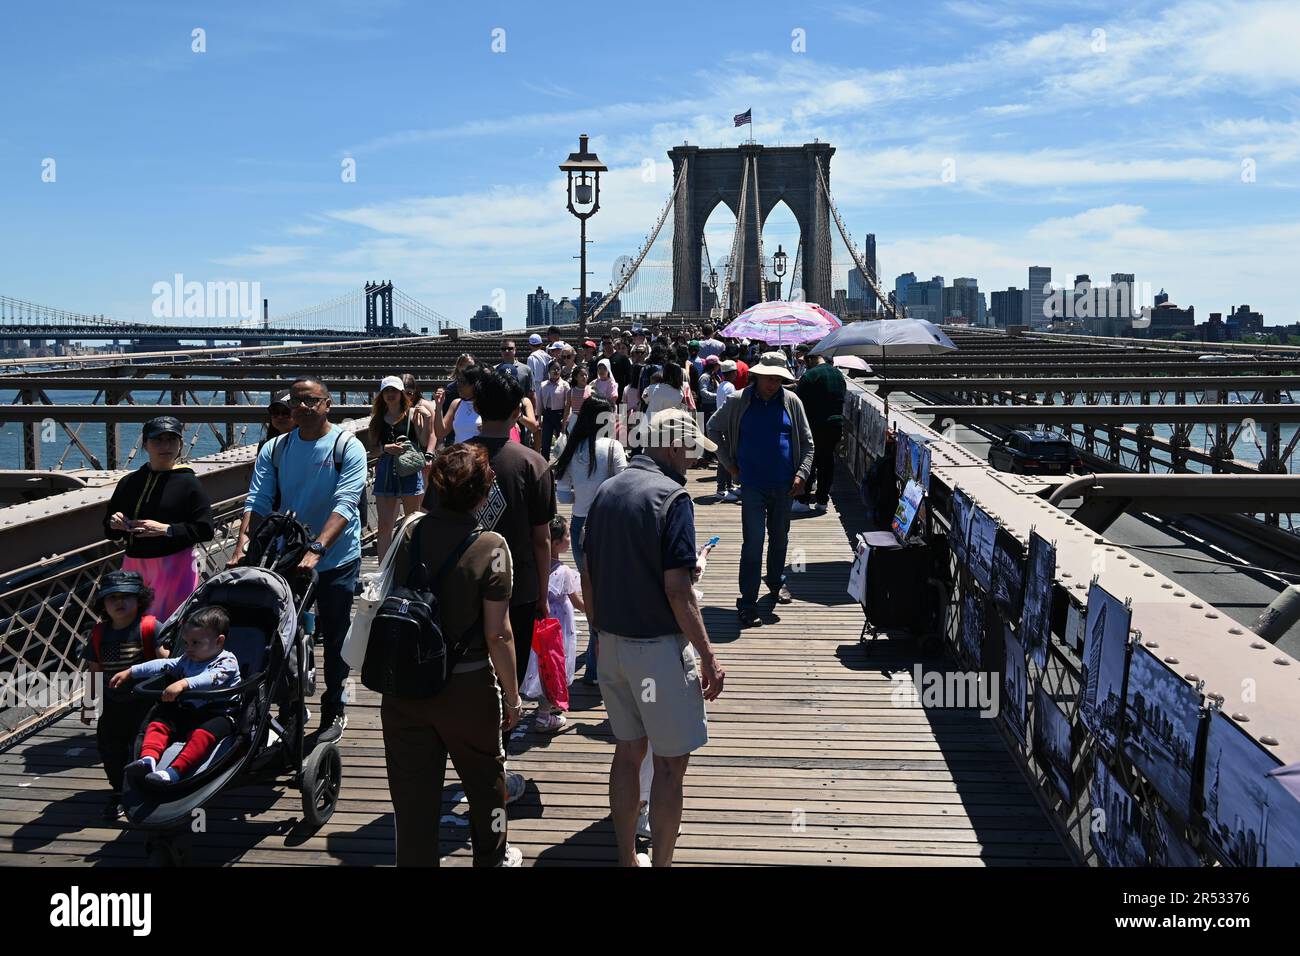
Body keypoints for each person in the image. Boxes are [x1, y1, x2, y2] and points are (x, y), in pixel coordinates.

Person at [582, 408, 725, 866]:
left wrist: (600, 631)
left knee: (627, 755)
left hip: (612, 647)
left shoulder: (606, 491)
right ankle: (660, 862)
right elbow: (678, 589)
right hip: (658, 653)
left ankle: (627, 858)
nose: (692, 461)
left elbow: (588, 572)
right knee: (668, 766)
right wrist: (708, 656)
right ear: (670, 446)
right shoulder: (672, 497)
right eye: (689, 450)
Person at [384, 443, 524, 867]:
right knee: (486, 785)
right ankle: (491, 857)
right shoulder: (492, 546)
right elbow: (498, 634)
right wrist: (513, 696)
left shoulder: (411, 530)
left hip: (407, 685)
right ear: (483, 495)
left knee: (413, 796)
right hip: (467, 683)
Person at [424, 369, 554, 802]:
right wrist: (542, 590)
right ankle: (492, 767)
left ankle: (461, 762)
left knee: (457, 673)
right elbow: (541, 537)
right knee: (504, 677)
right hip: (515, 589)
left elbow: (428, 525)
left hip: (454, 588)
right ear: (519, 411)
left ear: (475, 409)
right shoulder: (532, 463)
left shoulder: (452, 461)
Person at [231, 377, 367, 735]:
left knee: (336, 633)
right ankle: (289, 708)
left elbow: (347, 502)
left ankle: (334, 707)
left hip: (335, 556)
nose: (303, 407)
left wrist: (319, 546)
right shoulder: (274, 449)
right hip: (288, 555)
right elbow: (258, 500)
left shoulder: (346, 446)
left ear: (328, 404)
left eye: (311, 401)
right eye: (296, 402)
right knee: (281, 634)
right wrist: (242, 544)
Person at [707, 353, 815, 629]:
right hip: (752, 485)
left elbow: (807, 443)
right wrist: (730, 466)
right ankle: (747, 602)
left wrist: (802, 474)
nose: (773, 383)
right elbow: (712, 429)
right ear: (756, 375)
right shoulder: (738, 400)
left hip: (784, 486)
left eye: (778, 379)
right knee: (753, 543)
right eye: (769, 378)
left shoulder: (792, 402)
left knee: (780, 539)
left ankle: (776, 582)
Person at [104, 415, 214, 625]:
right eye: (157, 440)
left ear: (180, 444)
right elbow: (108, 530)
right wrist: (115, 524)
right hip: (133, 566)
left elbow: (205, 529)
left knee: (166, 630)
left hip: (175, 567)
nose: (165, 446)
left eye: (172, 440)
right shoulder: (129, 482)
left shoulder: (189, 484)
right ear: (145, 444)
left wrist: (167, 530)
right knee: (131, 628)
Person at [118, 605, 240, 784]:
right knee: (161, 719)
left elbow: (211, 678)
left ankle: (175, 771)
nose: (188, 648)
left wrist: (183, 683)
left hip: (219, 714)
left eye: (195, 643)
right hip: (189, 711)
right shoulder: (187, 659)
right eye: (186, 643)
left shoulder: (228, 661)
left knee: (202, 735)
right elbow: (163, 665)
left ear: (219, 641)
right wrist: (132, 671)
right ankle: (148, 758)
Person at [553, 397, 626, 683]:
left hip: (580, 522)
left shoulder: (571, 448)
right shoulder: (613, 448)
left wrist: (581, 494)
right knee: (610, 591)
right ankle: (604, 666)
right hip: (608, 523)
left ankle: (593, 667)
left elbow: (562, 494)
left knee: (591, 590)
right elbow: (623, 486)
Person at [80, 570, 163, 819]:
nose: (119, 602)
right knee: (110, 749)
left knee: (138, 749)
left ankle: (142, 790)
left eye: (126, 596)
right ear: (103, 603)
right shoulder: (98, 633)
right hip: (112, 704)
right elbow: (94, 671)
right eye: (112, 597)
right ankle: (119, 792)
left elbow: (165, 661)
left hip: (144, 704)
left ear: (139, 599)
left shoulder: (149, 627)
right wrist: (88, 705)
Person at [521, 516, 583, 734]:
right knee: (554, 666)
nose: (569, 539)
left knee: (541, 666)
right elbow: (577, 602)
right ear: (555, 543)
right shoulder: (564, 572)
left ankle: (546, 707)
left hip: (539, 626)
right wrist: (592, 610)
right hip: (559, 630)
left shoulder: (536, 569)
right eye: (567, 535)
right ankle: (544, 717)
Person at [370, 375, 435, 561]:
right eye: (387, 391)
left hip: (409, 469)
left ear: (401, 393)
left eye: (394, 391)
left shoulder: (413, 414)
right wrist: (385, 449)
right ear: (381, 395)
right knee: (385, 526)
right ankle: (383, 570)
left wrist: (428, 421)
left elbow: (423, 441)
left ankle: (413, 564)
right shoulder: (378, 419)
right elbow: (373, 450)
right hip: (385, 471)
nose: (390, 394)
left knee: (412, 521)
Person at [794, 351, 846, 514]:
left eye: (806, 361)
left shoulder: (811, 375)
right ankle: (822, 500)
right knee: (827, 462)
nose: (805, 365)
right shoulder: (838, 375)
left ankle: (802, 500)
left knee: (810, 460)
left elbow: (797, 402)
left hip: (814, 425)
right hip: (835, 425)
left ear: (811, 359)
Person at [704, 361, 739, 501]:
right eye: (735, 372)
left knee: (726, 455)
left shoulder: (722, 385)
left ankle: (729, 485)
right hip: (727, 425)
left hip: (721, 422)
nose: (736, 374)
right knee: (724, 457)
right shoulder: (730, 387)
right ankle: (721, 488)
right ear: (731, 373)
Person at [437, 364, 483, 445]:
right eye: (458, 381)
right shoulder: (456, 404)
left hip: (480, 455)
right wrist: (439, 407)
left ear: (475, 384)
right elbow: (441, 433)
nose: (458, 385)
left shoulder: (489, 405)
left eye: (463, 382)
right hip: (460, 455)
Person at [537, 360, 570, 460]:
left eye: (558, 369)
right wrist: (539, 418)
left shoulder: (564, 385)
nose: (556, 371)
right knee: (546, 440)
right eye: (553, 369)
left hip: (560, 415)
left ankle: (563, 462)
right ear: (548, 370)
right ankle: (545, 462)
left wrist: (566, 418)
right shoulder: (543, 385)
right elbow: (539, 403)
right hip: (547, 414)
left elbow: (568, 404)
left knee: (562, 440)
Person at [566, 365, 591, 431]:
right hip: (574, 421)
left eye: (586, 375)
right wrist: (564, 424)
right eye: (581, 375)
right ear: (576, 377)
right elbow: (567, 409)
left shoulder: (591, 390)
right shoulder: (571, 392)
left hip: (587, 420)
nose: (584, 377)